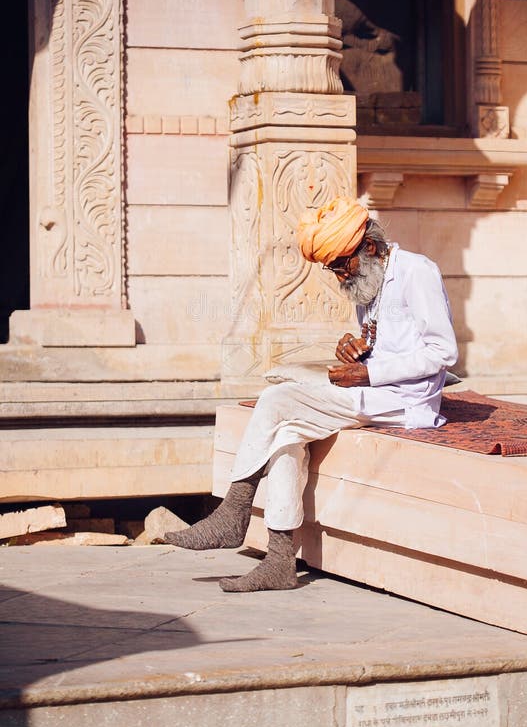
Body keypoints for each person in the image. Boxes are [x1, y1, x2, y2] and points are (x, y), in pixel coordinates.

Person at [165, 196, 458, 592]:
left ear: (368, 247)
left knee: (276, 401)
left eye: (341, 264)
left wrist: (369, 372)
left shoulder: (417, 272)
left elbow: (443, 352)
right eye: (332, 269)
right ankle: (280, 562)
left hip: (405, 400)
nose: (339, 276)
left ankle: (233, 511)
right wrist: (357, 346)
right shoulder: (369, 276)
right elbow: (386, 340)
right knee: (286, 436)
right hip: (374, 390)